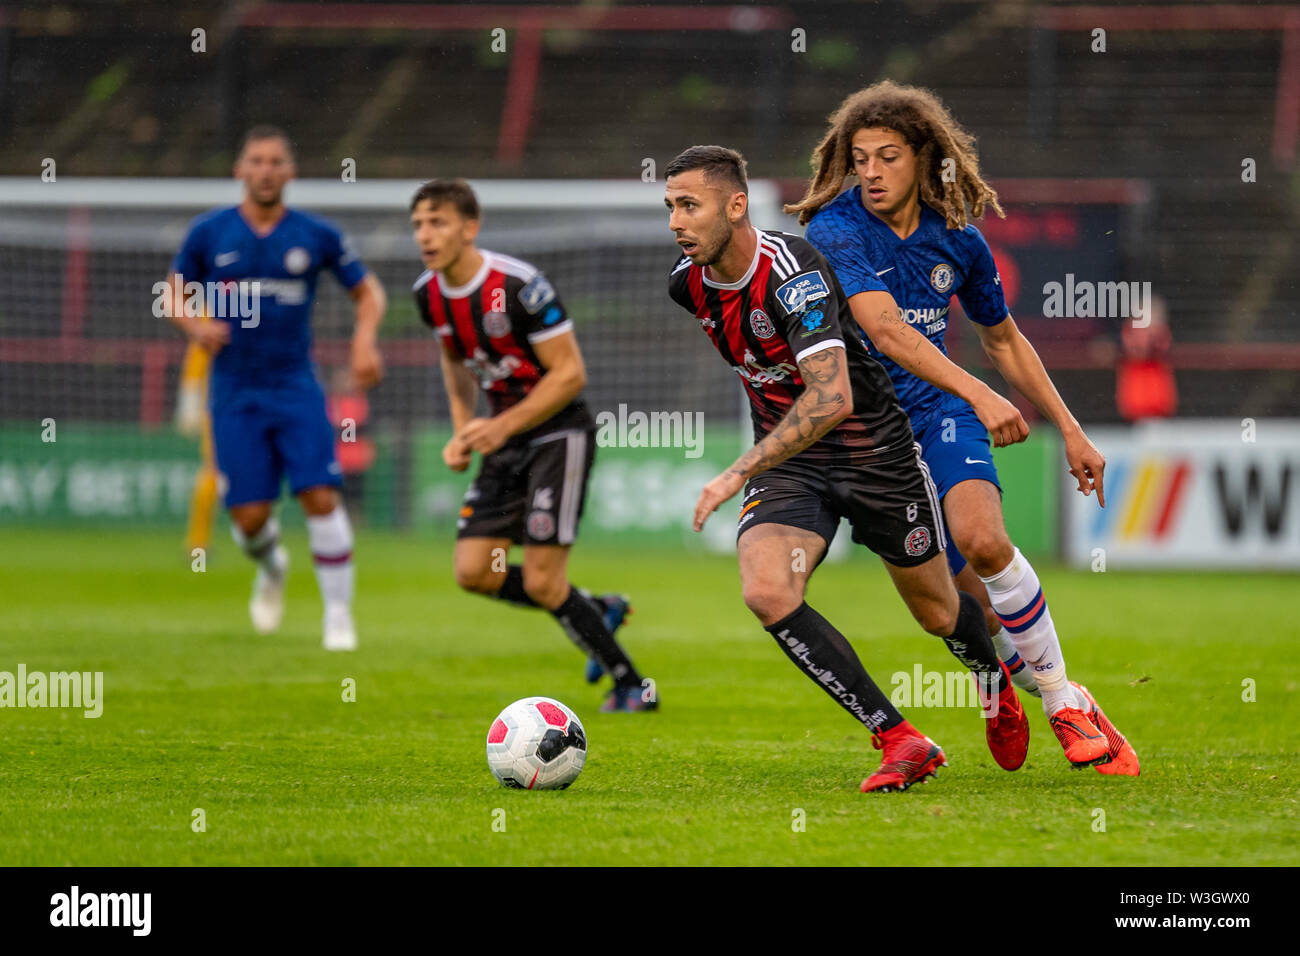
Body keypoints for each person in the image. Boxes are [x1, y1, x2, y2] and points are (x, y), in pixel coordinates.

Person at [790, 81, 1137, 773]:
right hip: (868, 431)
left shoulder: (960, 241)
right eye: (860, 158)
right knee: (945, 606)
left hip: (940, 413)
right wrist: (982, 393)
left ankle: (1065, 701)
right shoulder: (834, 229)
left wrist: (1069, 429)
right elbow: (884, 328)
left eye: (888, 156)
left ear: (924, 158)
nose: (872, 172)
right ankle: (994, 679)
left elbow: (1004, 339)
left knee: (983, 540)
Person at [665, 145, 1028, 792]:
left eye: (689, 205)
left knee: (940, 613)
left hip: (874, 454)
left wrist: (733, 473)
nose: (676, 221)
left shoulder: (792, 270)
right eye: (670, 207)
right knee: (768, 590)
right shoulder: (686, 284)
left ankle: (993, 678)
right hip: (794, 466)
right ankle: (899, 736)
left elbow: (833, 397)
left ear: (737, 205)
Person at [410, 179, 650, 713]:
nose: (426, 234)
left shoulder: (519, 286)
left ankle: (632, 685)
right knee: (476, 571)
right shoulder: (427, 294)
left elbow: (570, 374)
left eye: (438, 221)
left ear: (469, 228)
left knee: (544, 580)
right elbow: (454, 361)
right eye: (419, 224)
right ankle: (594, 607)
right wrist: (463, 429)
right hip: (504, 438)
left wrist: (501, 426)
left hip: (557, 435)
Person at [164, 125, 385, 651]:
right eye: (256, 161)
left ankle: (338, 618)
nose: (266, 170)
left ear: (291, 172)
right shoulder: (209, 233)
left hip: (295, 386)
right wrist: (194, 324)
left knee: (320, 495)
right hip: (234, 391)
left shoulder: (316, 235)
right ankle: (272, 565)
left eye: (276, 161)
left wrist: (364, 340)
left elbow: (368, 290)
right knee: (248, 517)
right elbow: (172, 294)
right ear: (239, 170)